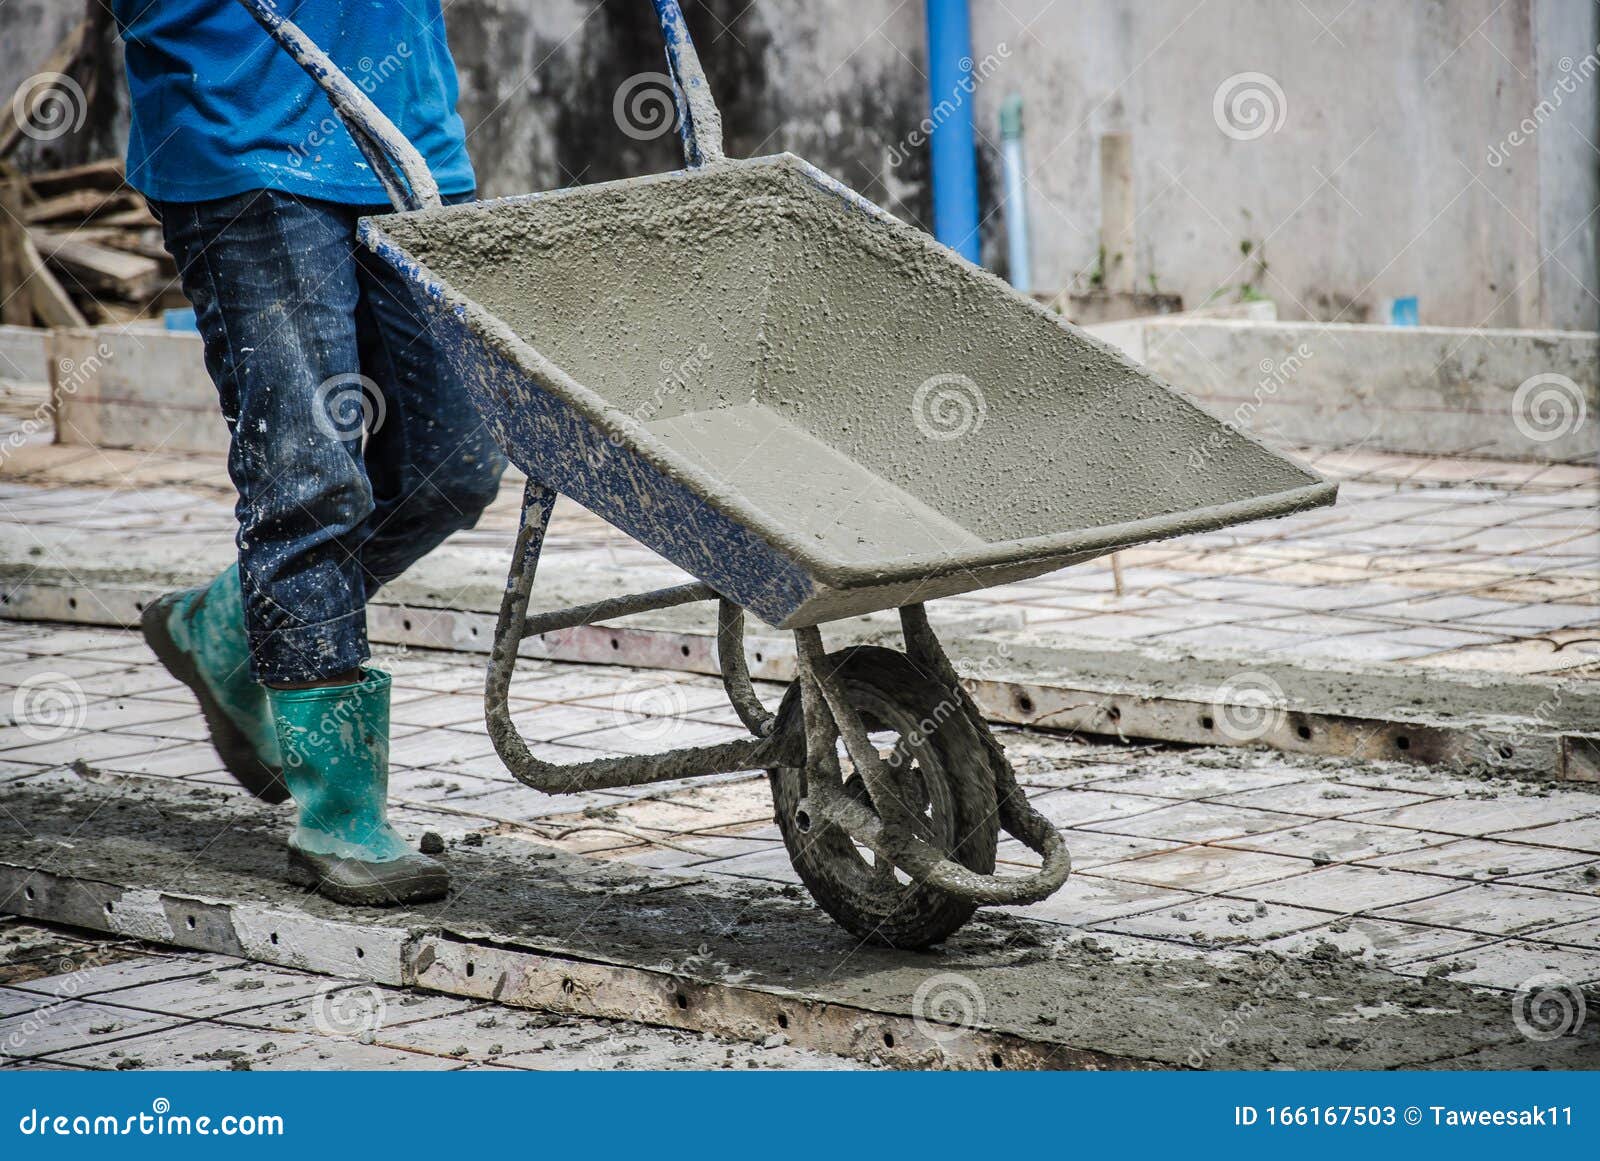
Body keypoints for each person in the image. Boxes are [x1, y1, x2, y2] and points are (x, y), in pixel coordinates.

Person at [115, 0, 504, 906]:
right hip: (243, 126)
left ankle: (227, 624)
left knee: (458, 464)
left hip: (406, 136)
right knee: (310, 475)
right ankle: (337, 809)